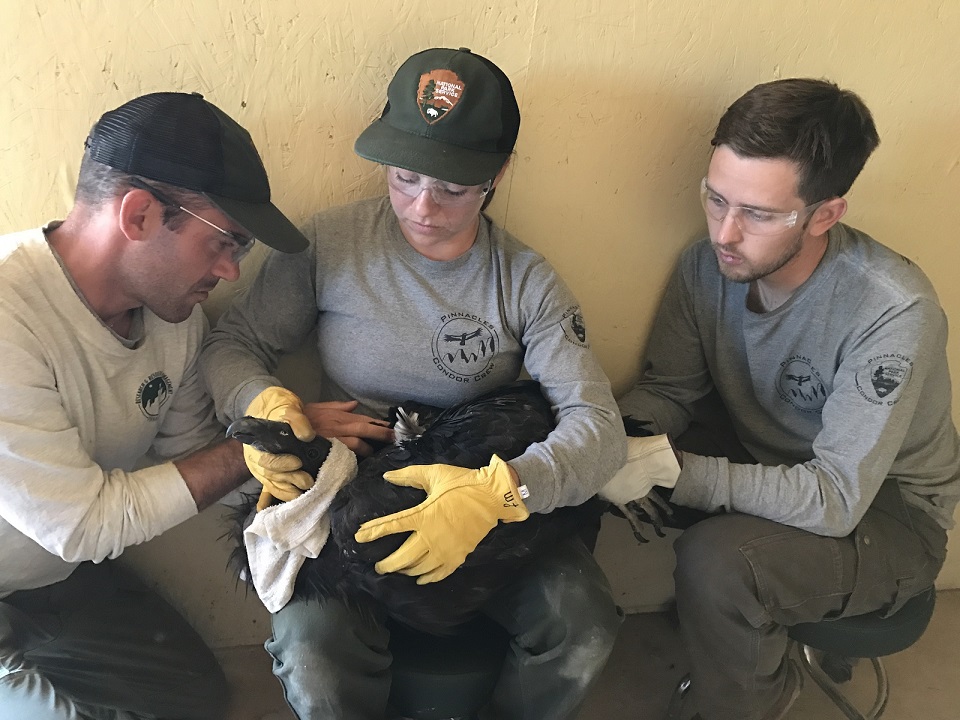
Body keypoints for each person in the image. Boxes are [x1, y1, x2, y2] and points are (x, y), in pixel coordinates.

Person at [199, 47, 627, 720]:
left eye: (453, 189)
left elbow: (599, 430)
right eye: (403, 178)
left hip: (478, 489)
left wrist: (500, 492)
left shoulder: (524, 280)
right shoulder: (332, 244)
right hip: (352, 488)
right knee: (314, 654)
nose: (422, 207)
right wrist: (267, 405)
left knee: (584, 626)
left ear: (497, 176)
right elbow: (233, 346)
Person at [608, 78, 960, 720]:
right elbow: (670, 391)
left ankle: (752, 700)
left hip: (885, 511)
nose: (726, 234)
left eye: (760, 215)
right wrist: (605, 444)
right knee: (584, 457)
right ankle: (727, 637)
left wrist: (675, 472)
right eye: (716, 200)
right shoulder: (704, 265)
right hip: (768, 452)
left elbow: (833, 500)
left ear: (825, 214)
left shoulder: (893, 311)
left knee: (716, 564)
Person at [0, 91, 309, 720]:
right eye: (226, 243)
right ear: (138, 214)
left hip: (52, 576)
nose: (229, 273)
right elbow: (84, 525)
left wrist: (314, 473)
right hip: (68, 544)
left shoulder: (173, 317)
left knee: (194, 698)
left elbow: (189, 456)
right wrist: (250, 448)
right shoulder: (11, 318)